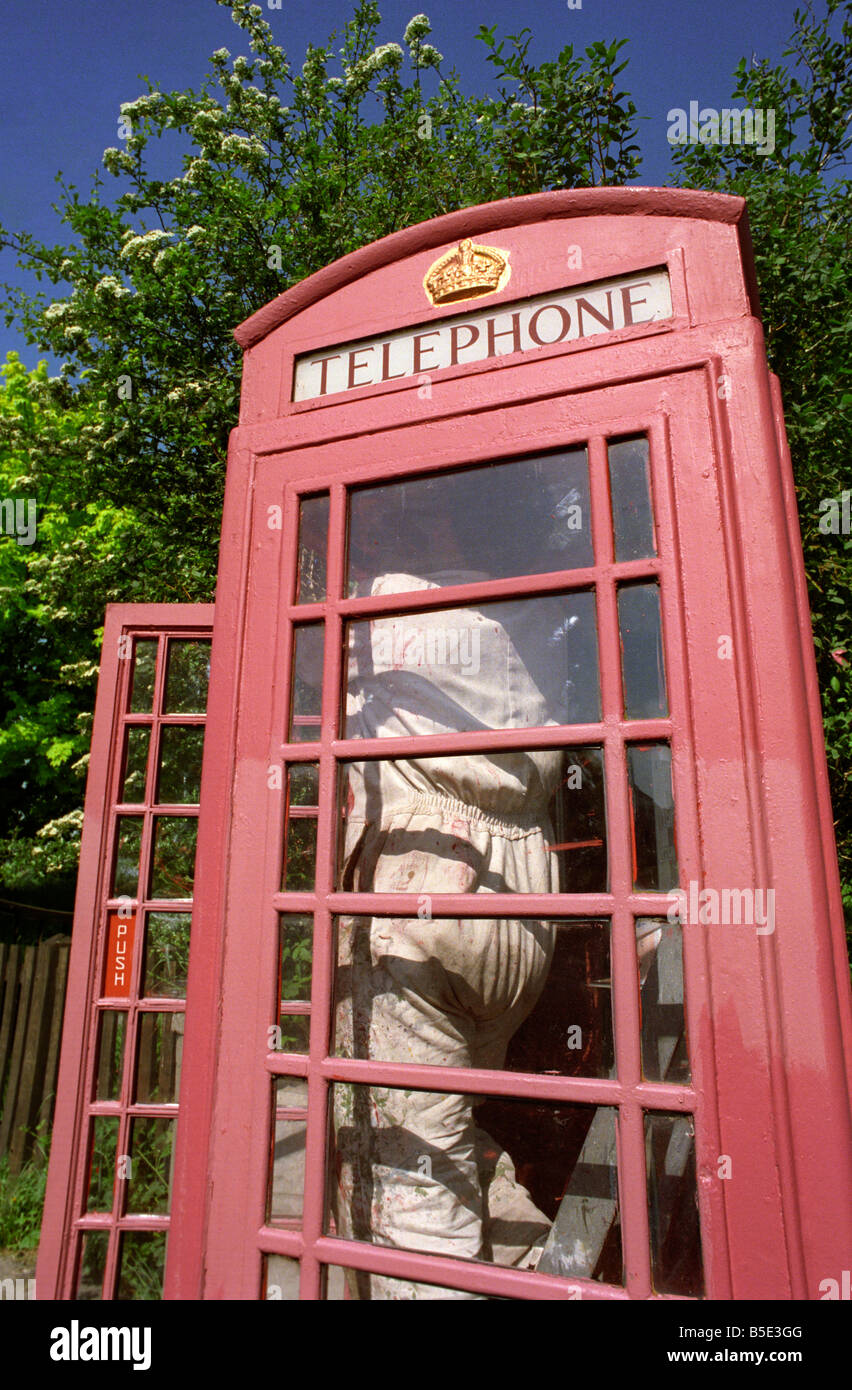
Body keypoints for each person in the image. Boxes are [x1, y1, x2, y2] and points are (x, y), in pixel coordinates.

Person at [332, 477, 578, 1298]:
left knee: (405, 1169)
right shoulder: (543, 618)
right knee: (456, 1122)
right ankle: (533, 1268)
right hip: (526, 895)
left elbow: (277, 668)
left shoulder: (379, 600)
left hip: (420, 880)